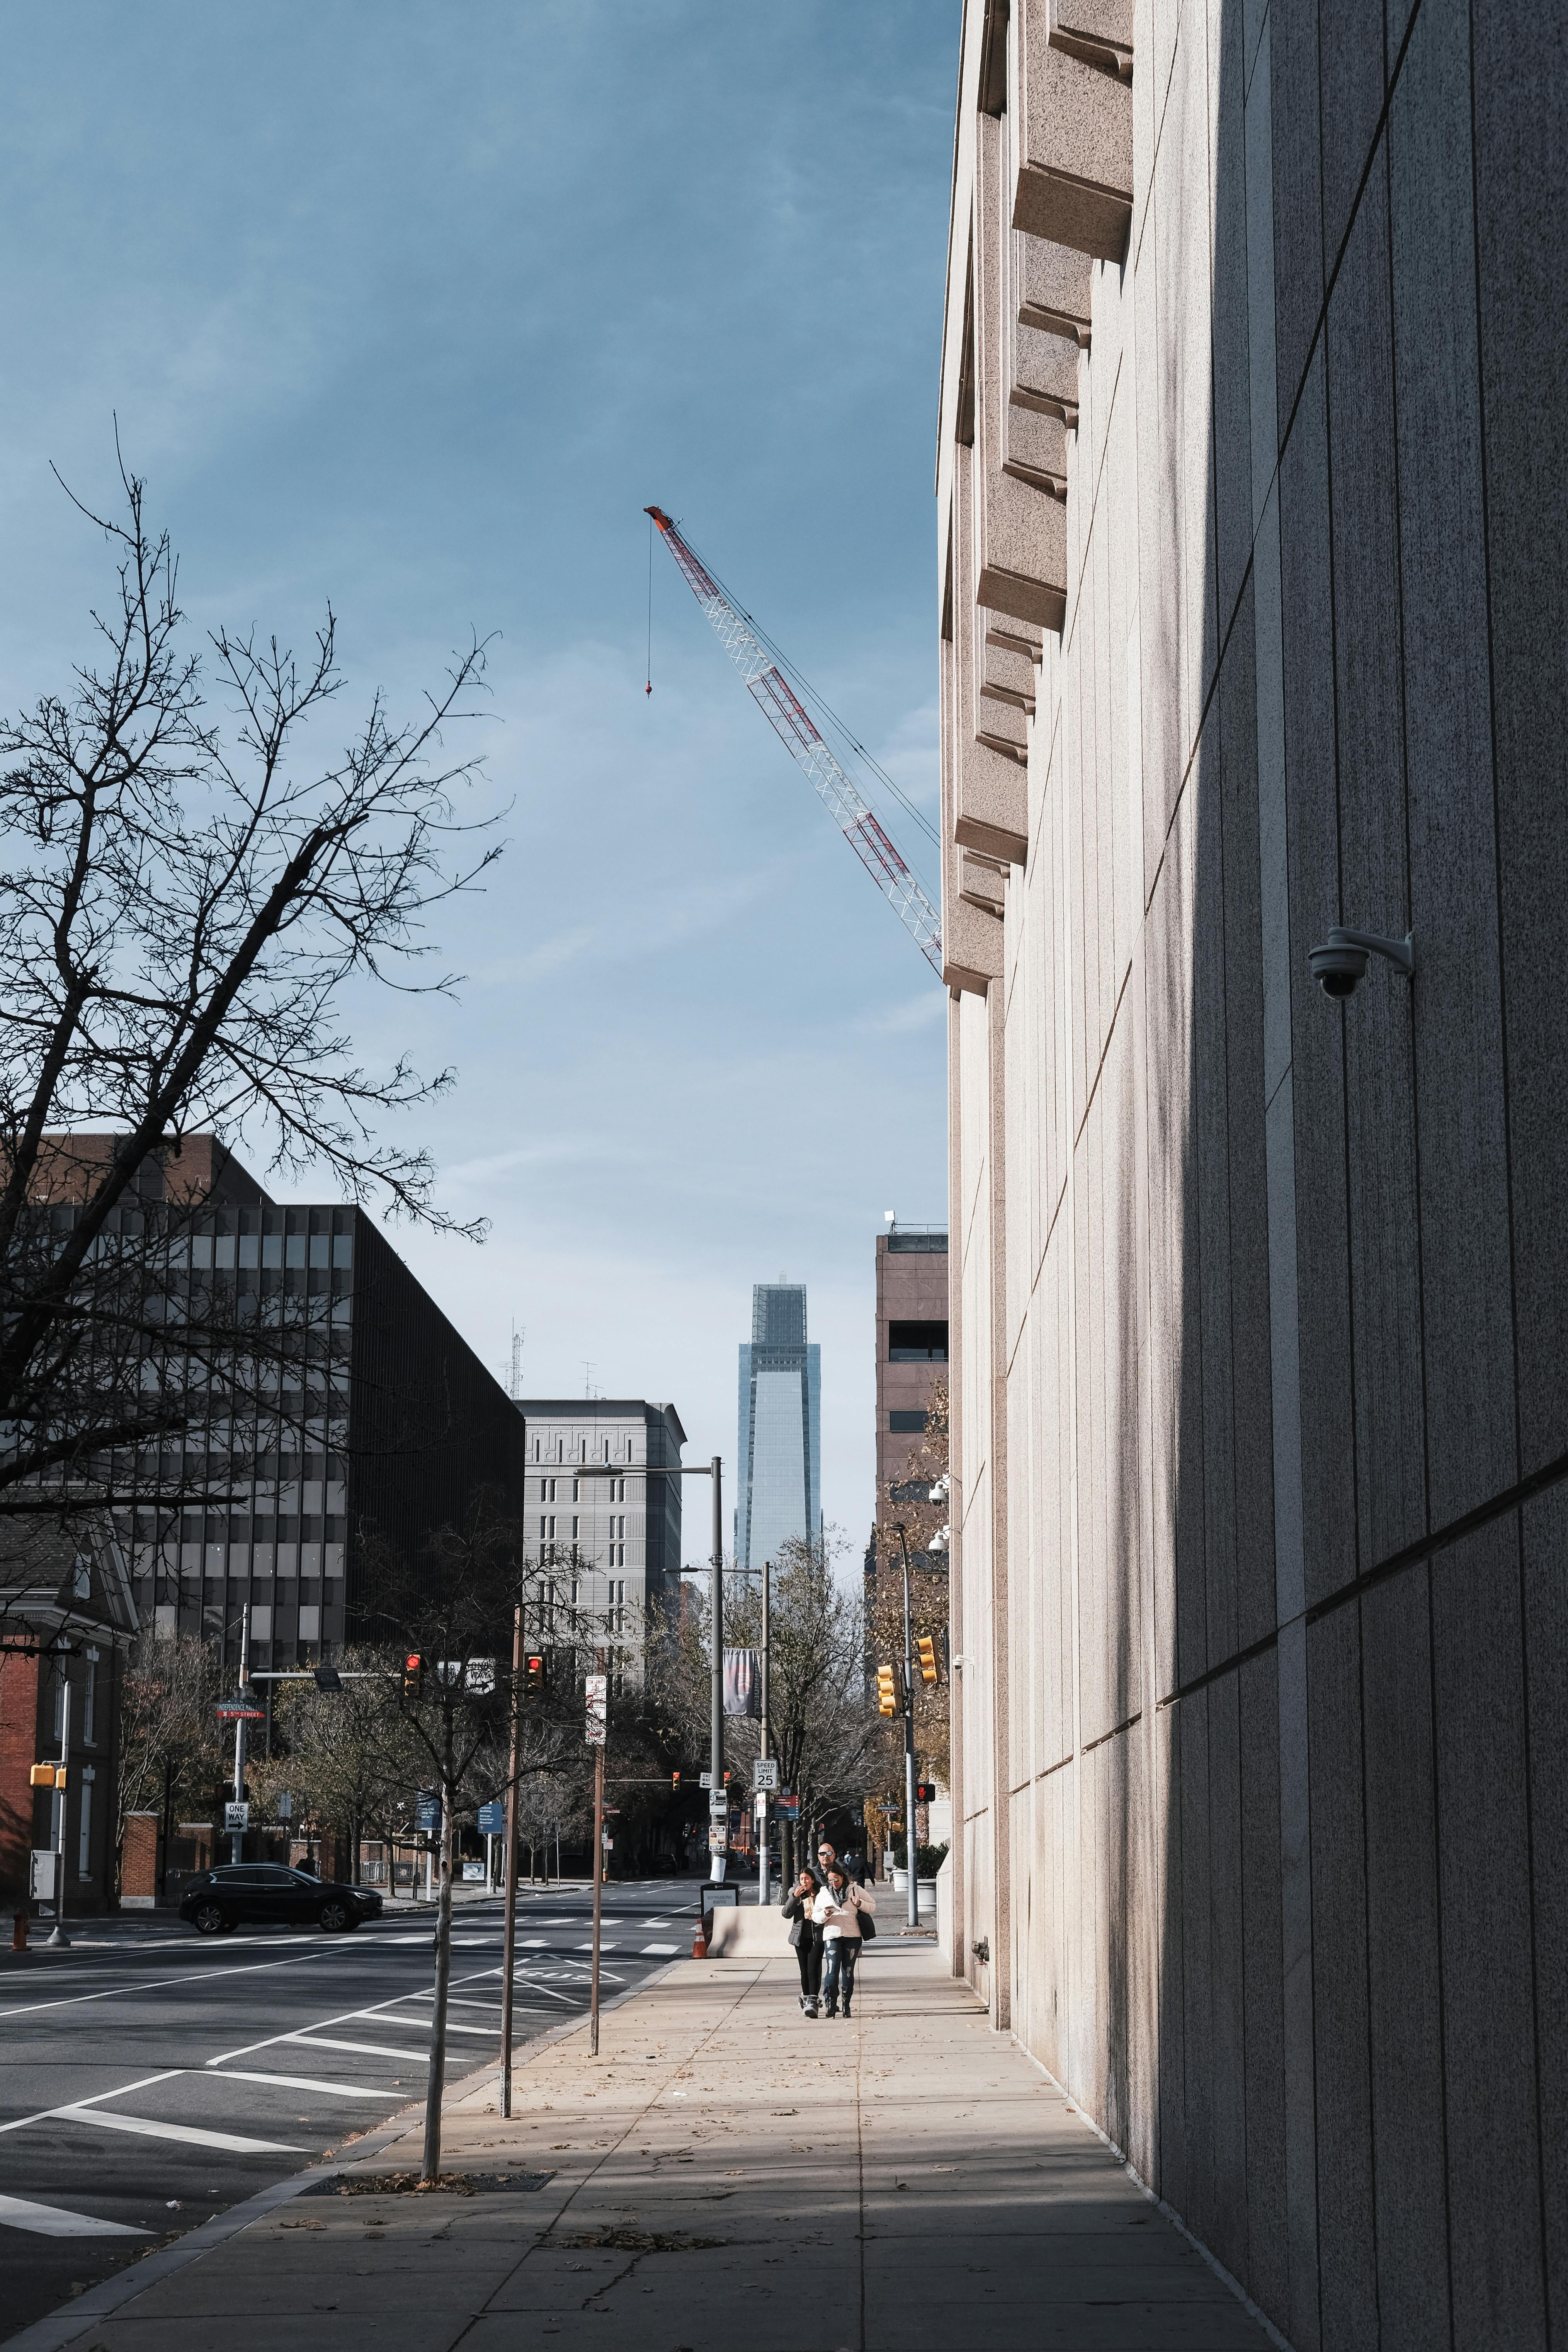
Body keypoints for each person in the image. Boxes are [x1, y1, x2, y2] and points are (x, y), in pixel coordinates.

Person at [813, 1862, 874, 2019]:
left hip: (852, 1935)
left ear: (843, 1877)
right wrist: (825, 1915)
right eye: (831, 1880)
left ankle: (847, 2005)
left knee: (848, 1971)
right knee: (832, 1969)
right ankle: (831, 2004)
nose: (834, 1883)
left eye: (837, 1880)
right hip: (832, 1935)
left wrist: (859, 1903)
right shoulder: (824, 1893)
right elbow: (815, 1916)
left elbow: (872, 1906)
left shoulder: (855, 1889)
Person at [783, 1867, 823, 2015]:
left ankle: (813, 2002)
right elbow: (786, 1914)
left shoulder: (821, 1894)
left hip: (817, 1938)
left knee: (813, 1970)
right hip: (800, 1938)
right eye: (802, 1879)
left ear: (813, 1880)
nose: (804, 1882)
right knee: (804, 1971)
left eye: (807, 1879)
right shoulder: (795, 1894)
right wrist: (795, 1897)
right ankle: (806, 2000)